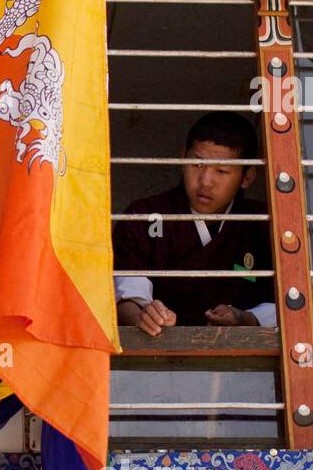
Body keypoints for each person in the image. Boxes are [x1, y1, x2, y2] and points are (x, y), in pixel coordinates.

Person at [113, 112, 275, 336]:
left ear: (247, 177)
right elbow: (127, 296)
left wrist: (247, 319)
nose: (205, 182)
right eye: (196, 164)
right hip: (152, 361)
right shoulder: (144, 216)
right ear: (182, 157)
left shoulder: (266, 222)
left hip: (249, 368)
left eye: (222, 171)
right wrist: (145, 317)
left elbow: (292, 303)